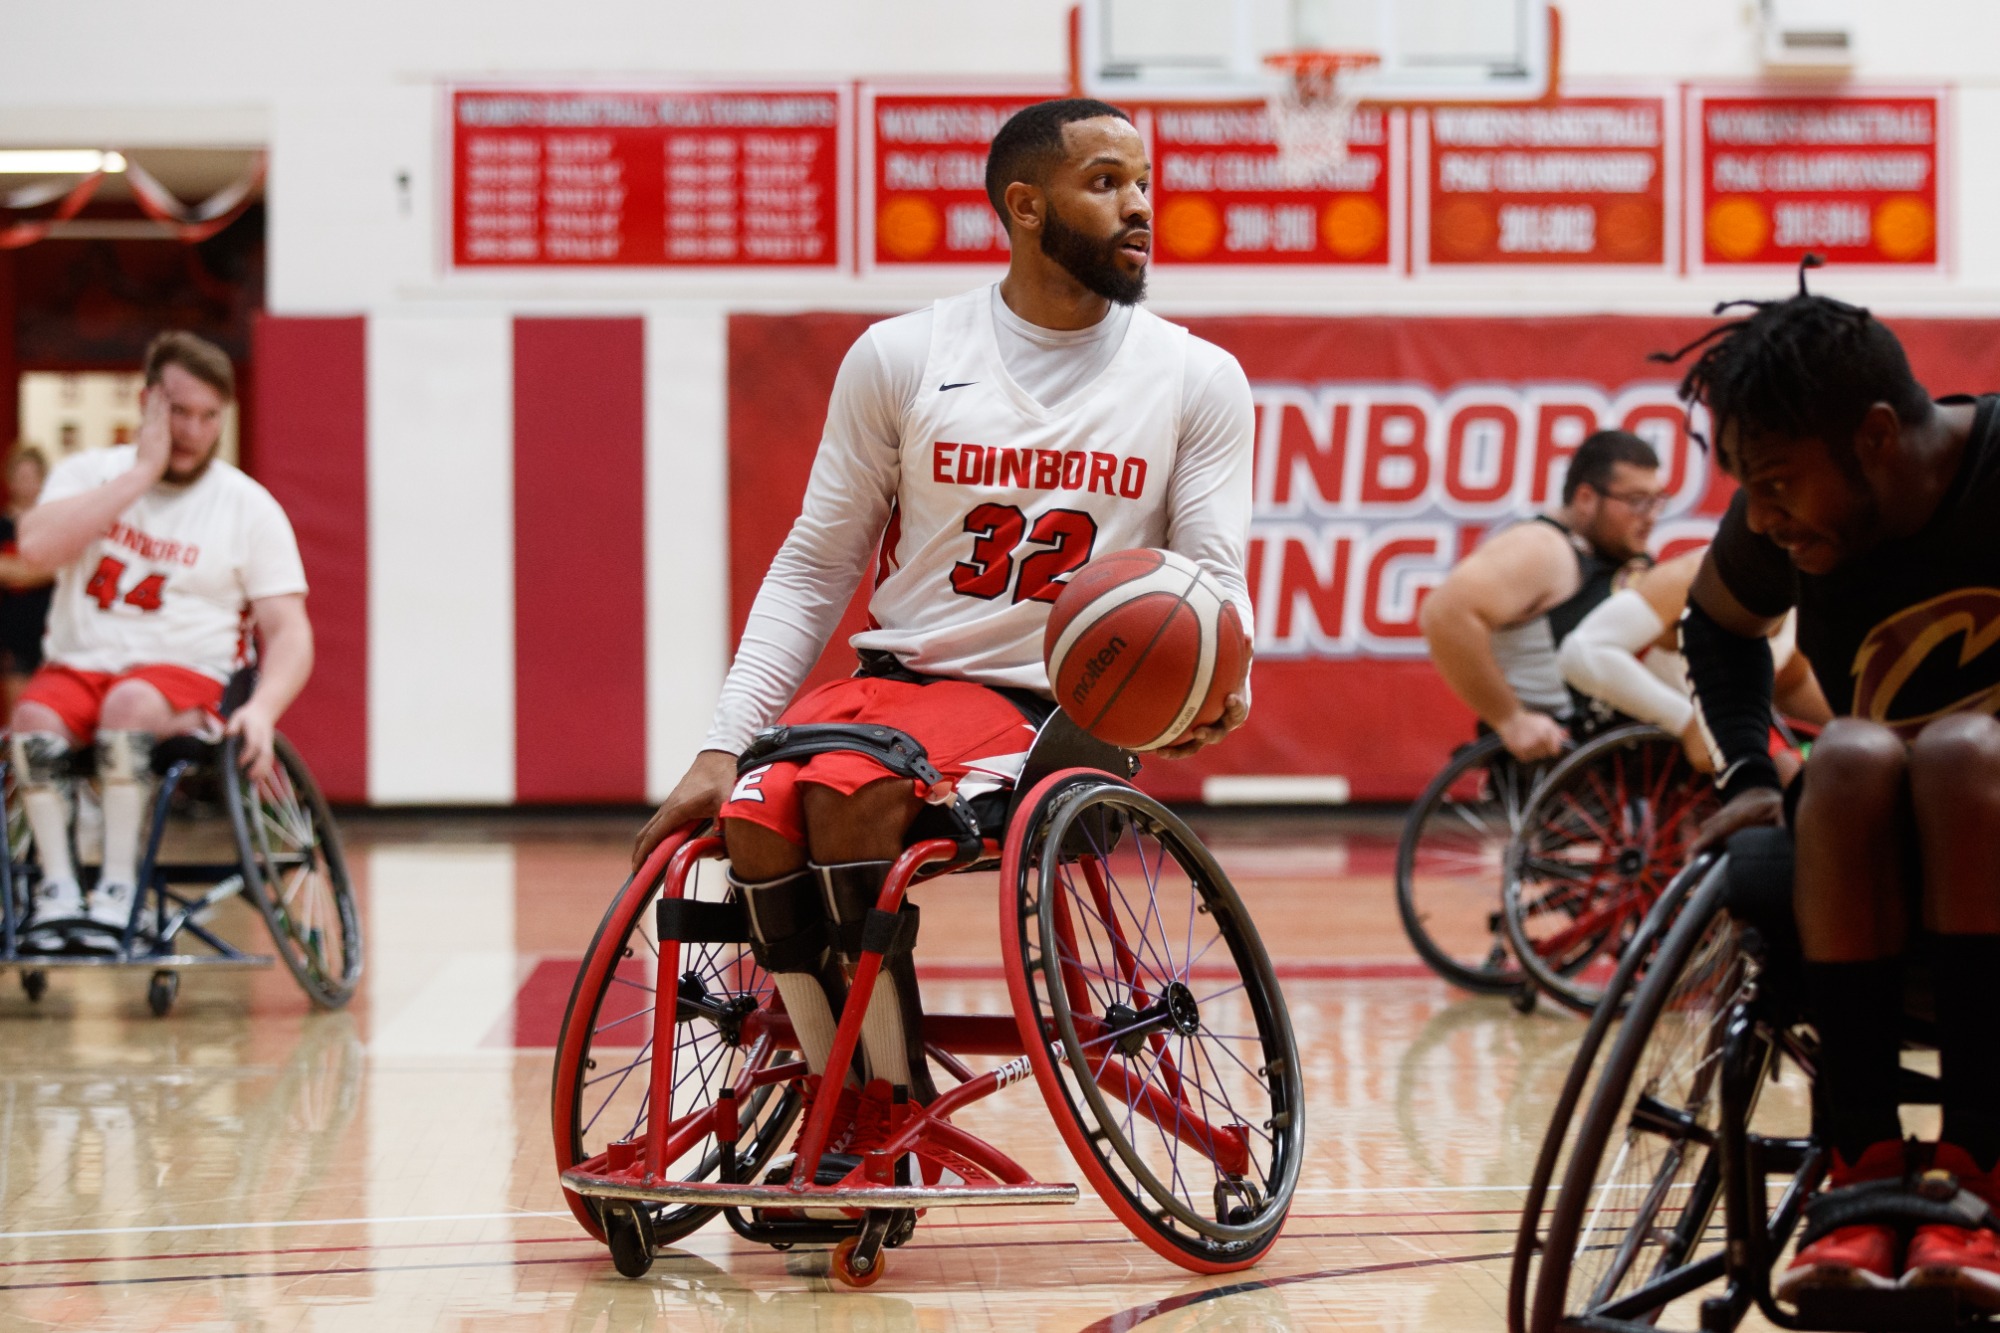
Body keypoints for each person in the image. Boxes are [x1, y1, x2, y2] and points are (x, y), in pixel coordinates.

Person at [632, 98, 1252, 1146]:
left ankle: (866, 1109)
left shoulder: (1195, 378)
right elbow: (814, 562)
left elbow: (1213, 576)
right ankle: (854, 1078)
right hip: (893, 690)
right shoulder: (901, 355)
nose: (1139, 206)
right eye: (1105, 183)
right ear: (1024, 206)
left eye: (1143, 182)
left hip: (1055, 710)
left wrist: (1220, 678)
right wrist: (720, 737)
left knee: (845, 800)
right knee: (751, 808)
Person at [1672, 283, 2000, 1306]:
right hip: (1879, 880)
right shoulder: (1775, 522)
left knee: (1956, 753)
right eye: (1745, 486)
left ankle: (1979, 1167)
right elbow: (1717, 627)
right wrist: (1743, 771)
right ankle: (1857, 1168)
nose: (1759, 517)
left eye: (1774, 483)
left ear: (1870, 438)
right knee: (1850, 753)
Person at [12, 331, 313, 942]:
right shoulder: (88, 473)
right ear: (148, 402)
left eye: (209, 416)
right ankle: (59, 893)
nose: (194, 431)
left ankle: (118, 890)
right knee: (32, 717)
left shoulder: (246, 506)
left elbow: (289, 630)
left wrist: (263, 708)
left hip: (185, 676)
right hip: (80, 665)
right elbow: (37, 549)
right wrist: (141, 473)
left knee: (130, 704)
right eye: (179, 412)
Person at [1417, 430, 1662, 762]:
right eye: (1637, 501)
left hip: (1632, 742)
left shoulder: (1617, 551)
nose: (1650, 515)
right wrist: (1510, 718)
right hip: (1567, 750)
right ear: (1587, 497)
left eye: (1657, 500)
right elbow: (1445, 613)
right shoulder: (1542, 547)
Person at [1557, 545, 1829, 770]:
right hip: (1632, 727)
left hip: (1723, 720)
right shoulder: (1695, 575)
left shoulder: (1804, 597)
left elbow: (1791, 687)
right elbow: (1579, 655)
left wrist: (1863, 727)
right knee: (1790, 777)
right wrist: (1686, 722)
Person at [0, 448, 56, 716]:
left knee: (51, 710)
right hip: (13, 633)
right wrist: (41, 568)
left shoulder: (54, 524)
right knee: (17, 714)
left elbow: (61, 566)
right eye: (20, 475)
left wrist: (18, 570)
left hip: (50, 630)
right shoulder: (3, 526)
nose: (25, 482)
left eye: (32, 476)